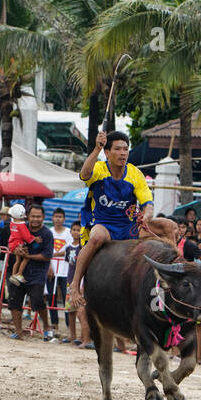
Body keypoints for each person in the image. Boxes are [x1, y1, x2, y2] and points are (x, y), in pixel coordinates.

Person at [69, 128, 174, 307]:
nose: (123, 153)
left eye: (125, 149)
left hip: (129, 226)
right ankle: (74, 285)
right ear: (107, 152)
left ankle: (174, 272)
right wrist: (96, 149)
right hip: (104, 224)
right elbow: (84, 175)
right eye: (118, 149)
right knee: (97, 237)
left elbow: (148, 202)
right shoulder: (99, 169)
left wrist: (146, 216)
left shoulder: (135, 174)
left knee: (169, 226)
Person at [8, 204, 55, 342]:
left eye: (38, 216)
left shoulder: (47, 234)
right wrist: (16, 250)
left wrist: (28, 257)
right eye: (33, 216)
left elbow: (47, 255)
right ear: (27, 216)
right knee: (13, 301)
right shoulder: (20, 226)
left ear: (43, 218)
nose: (35, 219)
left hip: (37, 272)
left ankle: (47, 327)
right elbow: (11, 242)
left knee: (37, 300)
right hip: (18, 272)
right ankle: (18, 331)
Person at [48, 208, 73, 333]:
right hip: (51, 269)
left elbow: (70, 248)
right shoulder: (49, 232)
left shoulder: (69, 232)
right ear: (52, 218)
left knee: (65, 297)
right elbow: (46, 250)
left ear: (64, 218)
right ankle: (54, 323)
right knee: (51, 297)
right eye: (55, 216)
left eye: (60, 216)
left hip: (65, 270)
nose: (58, 219)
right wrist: (49, 263)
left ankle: (69, 325)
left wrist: (54, 254)